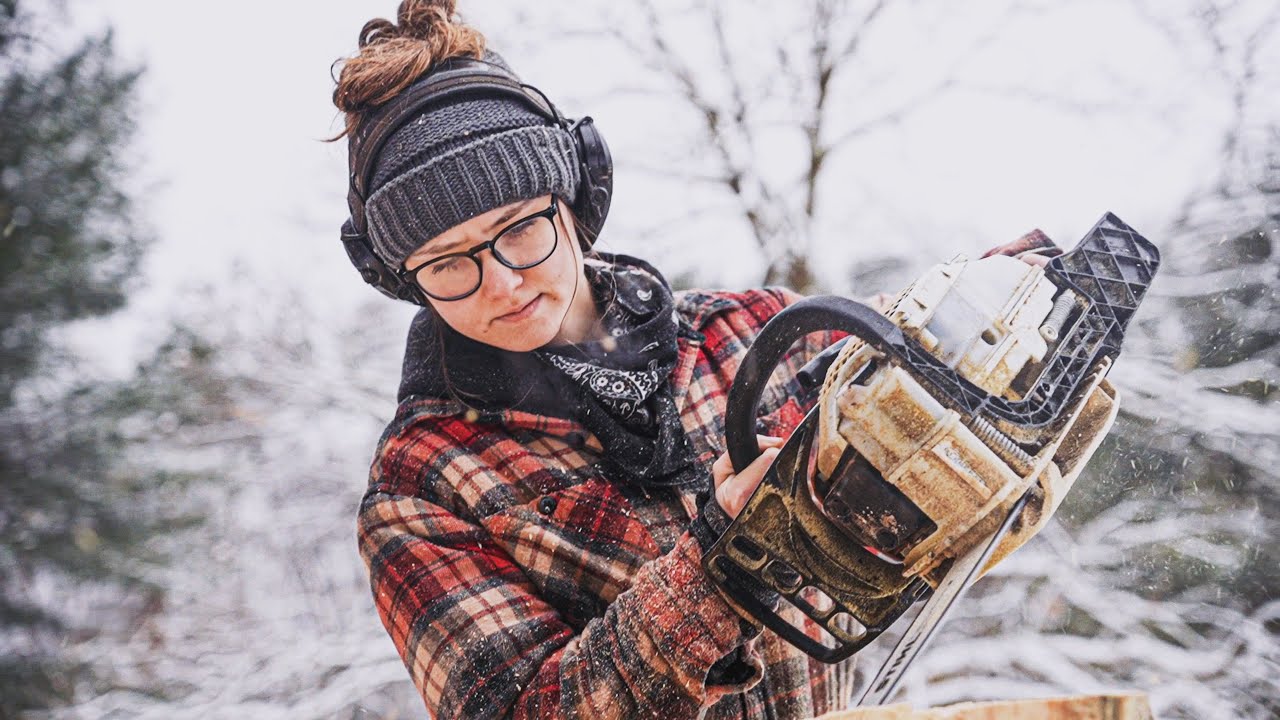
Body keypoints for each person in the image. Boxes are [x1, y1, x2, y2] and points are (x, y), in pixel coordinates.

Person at [331, 2, 1052, 717]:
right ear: (405, 279)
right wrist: (716, 571)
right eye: (448, 264)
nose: (502, 281)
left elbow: (937, 515)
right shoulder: (421, 489)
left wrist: (972, 343)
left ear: (572, 197)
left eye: (518, 229)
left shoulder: (752, 333)